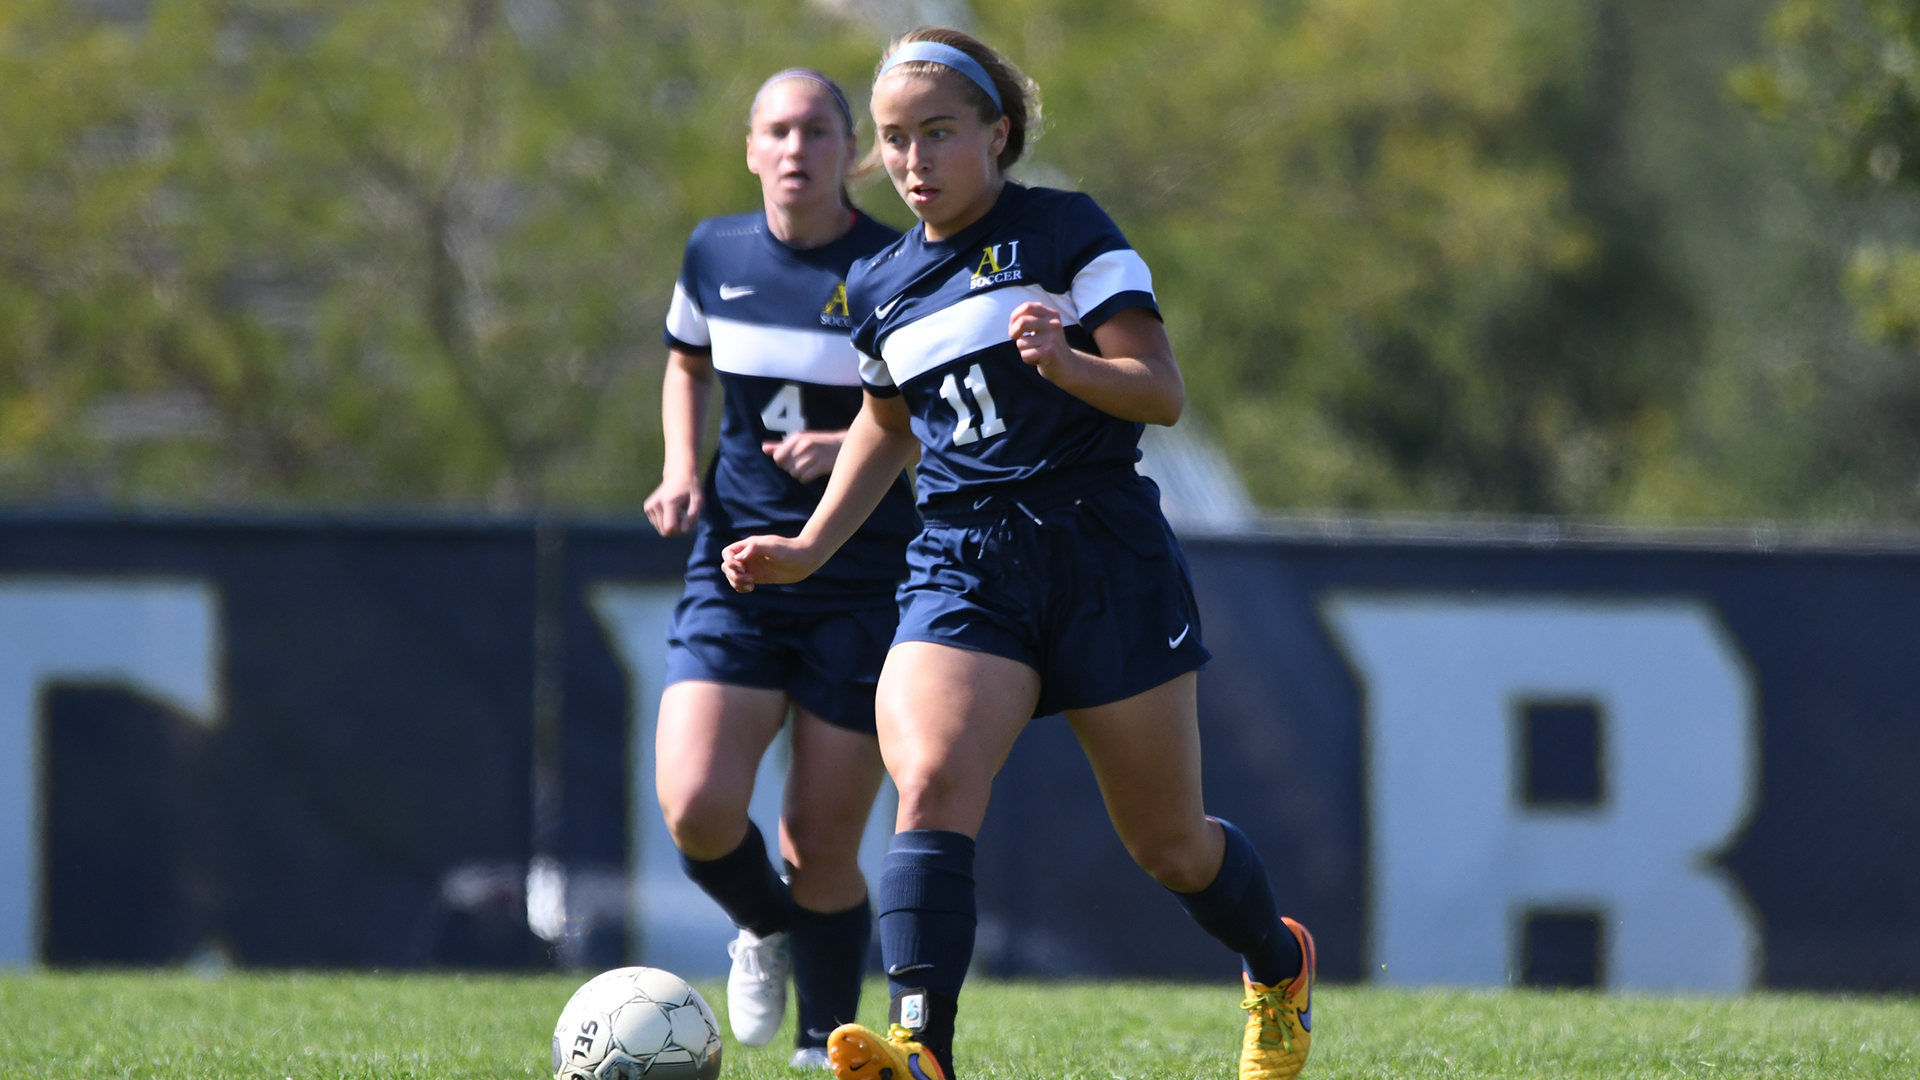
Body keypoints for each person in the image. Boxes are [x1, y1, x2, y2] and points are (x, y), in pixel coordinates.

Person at [719, 28, 1317, 1080]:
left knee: (1169, 847)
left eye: (939, 134)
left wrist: (1071, 363)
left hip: (1101, 551)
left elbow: (1160, 391)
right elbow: (888, 422)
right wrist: (812, 546)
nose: (914, 161)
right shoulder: (881, 281)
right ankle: (919, 1050)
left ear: (997, 136)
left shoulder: (1064, 230)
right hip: (961, 559)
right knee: (935, 777)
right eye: (897, 141)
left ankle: (1276, 965)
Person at [644, 67, 918, 1070]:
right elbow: (686, 359)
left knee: (820, 841)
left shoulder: (900, 267)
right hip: (741, 567)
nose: (797, 148)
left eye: (817, 131)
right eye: (778, 130)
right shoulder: (714, 251)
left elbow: (947, 421)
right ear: (751, 149)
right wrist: (680, 469)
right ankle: (762, 929)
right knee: (698, 806)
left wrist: (850, 441)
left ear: (854, 154)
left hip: (862, 581)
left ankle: (821, 1045)